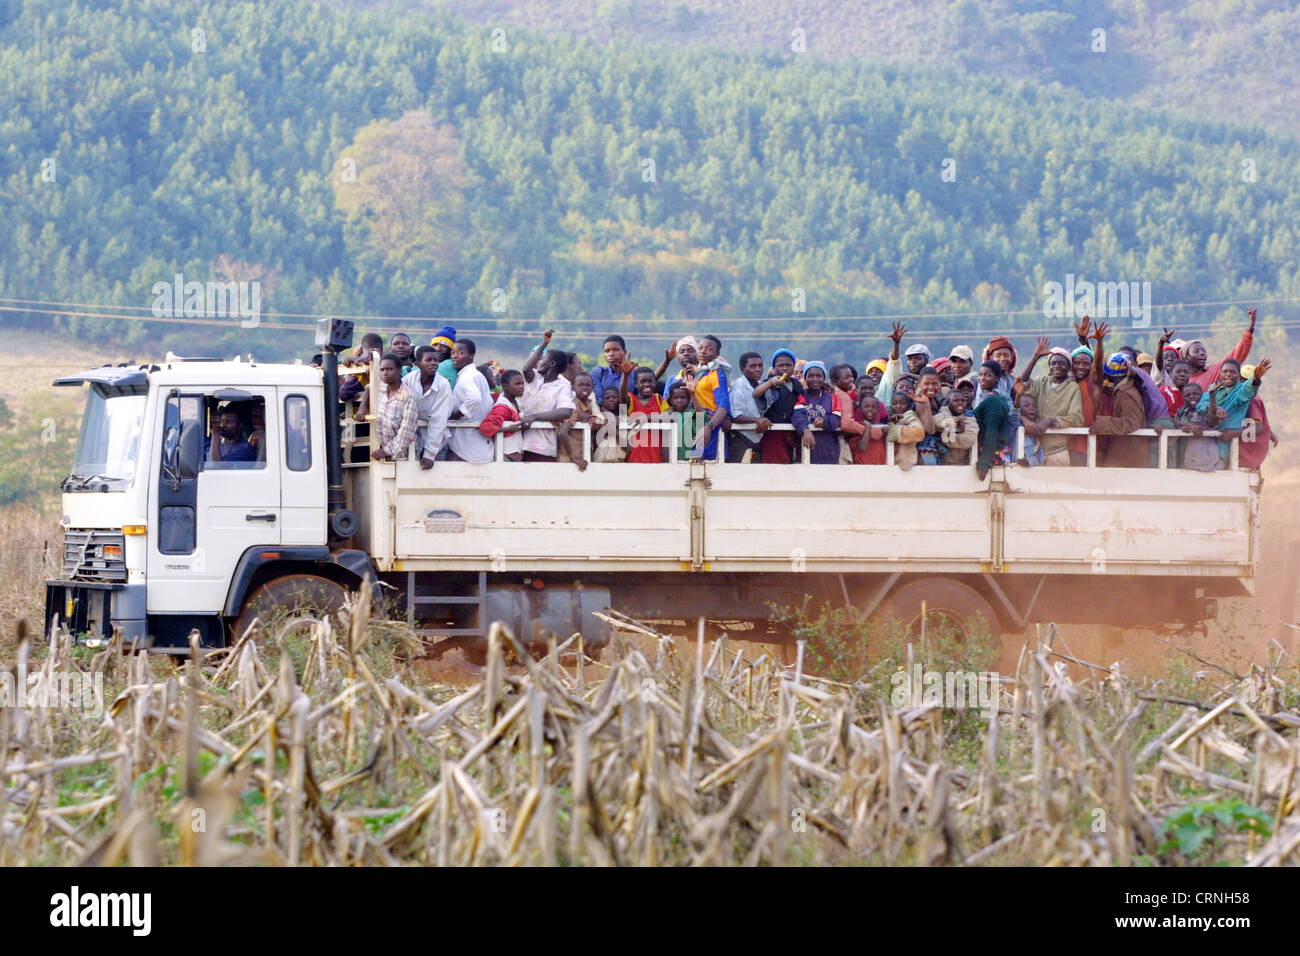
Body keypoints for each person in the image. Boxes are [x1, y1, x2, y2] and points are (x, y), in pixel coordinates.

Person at [1018, 337, 1083, 466]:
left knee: (1057, 486)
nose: (1057, 366)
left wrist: (1050, 421)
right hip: (1034, 448)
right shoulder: (1042, 381)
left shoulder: (1072, 387)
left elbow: (1077, 418)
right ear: (1049, 366)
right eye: (1053, 363)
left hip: (1057, 451)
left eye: (1061, 363)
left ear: (1069, 367)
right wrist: (1035, 357)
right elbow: (1021, 385)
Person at [1197, 358, 1271, 465]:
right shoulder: (1212, 389)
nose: (1228, 374)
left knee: (1217, 470)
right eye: (1225, 371)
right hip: (1206, 441)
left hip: (1225, 442)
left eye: (1233, 372)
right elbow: (1201, 407)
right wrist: (1215, 406)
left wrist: (1255, 378)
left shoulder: (1240, 391)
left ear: (1238, 375)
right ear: (1220, 373)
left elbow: (1248, 389)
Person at [519, 329, 576, 462]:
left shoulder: (563, 386)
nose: (538, 361)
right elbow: (525, 368)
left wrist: (534, 417)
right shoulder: (535, 378)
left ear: (552, 364)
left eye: (542, 359)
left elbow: (566, 411)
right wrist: (544, 343)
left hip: (541, 445)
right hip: (519, 441)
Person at [1090, 352, 1148, 468]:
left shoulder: (1126, 394)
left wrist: (1102, 422)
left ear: (1113, 375)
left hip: (1128, 455)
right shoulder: (1122, 390)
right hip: (1126, 453)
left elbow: (1131, 422)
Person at [402, 346, 454, 469]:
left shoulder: (443, 385)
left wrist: (430, 454)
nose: (433, 363)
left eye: (436, 360)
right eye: (428, 360)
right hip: (412, 441)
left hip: (436, 444)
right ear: (418, 363)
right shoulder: (410, 379)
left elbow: (439, 420)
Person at [1184, 307, 1256, 391]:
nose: (1202, 353)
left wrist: (1251, 325)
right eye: (1196, 351)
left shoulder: (1214, 371)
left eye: (1203, 351)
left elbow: (1238, 353)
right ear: (1186, 357)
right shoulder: (1181, 381)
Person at [446, 339, 493, 462]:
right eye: (453, 352)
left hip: (466, 445)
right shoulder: (473, 374)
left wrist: (455, 417)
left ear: (471, 356)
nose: (455, 356)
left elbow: (474, 399)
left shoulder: (468, 376)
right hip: (475, 444)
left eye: (460, 353)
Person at [755, 348, 803, 464]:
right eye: (780, 365)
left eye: (788, 365)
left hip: (792, 433)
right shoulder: (769, 382)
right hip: (773, 433)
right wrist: (770, 383)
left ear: (793, 366)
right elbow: (756, 393)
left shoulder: (797, 384)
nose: (784, 368)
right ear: (774, 368)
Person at [689, 334, 731, 460]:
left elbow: (723, 406)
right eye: (700, 347)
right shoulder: (699, 372)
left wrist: (709, 427)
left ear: (716, 355)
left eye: (709, 349)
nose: (703, 351)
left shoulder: (716, 374)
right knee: (694, 465)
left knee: (711, 467)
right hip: (697, 424)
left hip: (710, 427)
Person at [370, 354, 419, 462]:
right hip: (382, 456)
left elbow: (407, 432)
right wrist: (362, 408)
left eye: (390, 369)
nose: (385, 373)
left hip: (402, 458)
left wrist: (385, 451)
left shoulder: (407, 396)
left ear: (399, 371)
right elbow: (368, 388)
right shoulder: (381, 390)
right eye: (382, 370)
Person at [792, 361, 841, 464]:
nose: (815, 379)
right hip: (805, 450)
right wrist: (805, 429)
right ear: (805, 378)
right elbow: (797, 415)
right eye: (811, 376)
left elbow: (837, 419)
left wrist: (824, 422)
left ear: (824, 378)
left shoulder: (831, 396)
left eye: (819, 376)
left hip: (828, 450)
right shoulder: (801, 396)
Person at [728, 351, 771, 462]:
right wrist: (757, 420)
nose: (758, 369)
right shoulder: (739, 385)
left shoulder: (761, 385)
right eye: (753, 366)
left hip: (757, 439)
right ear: (743, 369)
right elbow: (735, 416)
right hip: (741, 438)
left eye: (760, 366)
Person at [558, 371, 606, 470]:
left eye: (588, 385)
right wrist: (573, 457)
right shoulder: (572, 405)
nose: (585, 387)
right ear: (572, 387)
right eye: (580, 385)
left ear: (592, 387)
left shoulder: (590, 404)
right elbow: (562, 432)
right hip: (569, 459)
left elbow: (601, 421)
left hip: (583, 456)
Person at [973, 361, 1012, 479]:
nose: (982, 378)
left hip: (993, 455)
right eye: (980, 375)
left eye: (987, 375)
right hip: (992, 452)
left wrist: (984, 463)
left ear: (997, 378)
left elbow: (991, 432)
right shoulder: (992, 397)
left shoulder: (993, 402)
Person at [624, 367, 670, 463]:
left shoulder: (659, 400)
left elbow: (669, 417)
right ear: (636, 384)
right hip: (634, 455)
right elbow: (621, 396)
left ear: (655, 383)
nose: (647, 384)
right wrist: (625, 375)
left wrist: (645, 417)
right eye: (643, 381)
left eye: (650, 381)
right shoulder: (631, 399)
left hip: (656, 455)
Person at [1174, 382, 1222, 472]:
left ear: (1202, 395)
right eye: (1187, 395)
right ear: (1183, 398)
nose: (1192, 397)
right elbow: (1176, 421)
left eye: (1195, 394)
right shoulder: (1182, 411)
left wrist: (1211, 396)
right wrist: (1187, 427)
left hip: (1206, 453)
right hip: (1186, 454)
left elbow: (1212, 419)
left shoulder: (1205, 409)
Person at [479, 369, 525, 461]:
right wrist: (507, 429)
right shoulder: (502, 407)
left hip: (515, 452)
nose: (522, 387)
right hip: (506, 455)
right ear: (505, 386)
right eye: (517, 384)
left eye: (522, 383)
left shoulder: (516, 402)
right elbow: (486, 426)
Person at [830, 363, 864, 465]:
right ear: (835, 381)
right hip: (839, 442)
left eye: (851, 377)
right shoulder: (843, 396)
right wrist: (867, 430)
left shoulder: (832, 392)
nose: (851, 380)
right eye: (847, 377)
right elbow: (847, 424)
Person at [912, 367, 946, 466]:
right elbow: (930, 430)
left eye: (934, 384)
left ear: (940, 384)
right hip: (925, 450)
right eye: (926, 384)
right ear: (919, 384)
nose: (931, 387)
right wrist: (926, 405)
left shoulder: (937, 400)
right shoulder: (919, 402)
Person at [934, 389, 978, 465]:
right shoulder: (942, 413)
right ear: (948, 402)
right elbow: (937, 421)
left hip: (960, 465)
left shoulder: (970, 418)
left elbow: (969, 440)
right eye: (955, 400)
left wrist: (947, 433)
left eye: (963, 401)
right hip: (941, 463)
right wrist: (956, 422)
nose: (960, 403)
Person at [340, 332, 385, 402]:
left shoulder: (362, 372)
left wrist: (358, 359)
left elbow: (343, 394)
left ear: (362, 350)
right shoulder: (388, 365)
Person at [886, 390, 924, 471]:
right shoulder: (889, 417)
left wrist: (895, 430)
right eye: (894, 403)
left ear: (909, 406)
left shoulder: (910, 417)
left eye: (903, 403)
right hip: (890, 460)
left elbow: (919, 432)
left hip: (905, 461)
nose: (898, 406)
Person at [590, 334, 635, 401]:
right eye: (607, 351)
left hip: (629, 409)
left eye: (615, 350)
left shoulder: (635, 373)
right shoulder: (598, 373)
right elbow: (600, 399)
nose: (611, 354)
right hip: (605, 409)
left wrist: (625, 374)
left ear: (624, 352)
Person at [852, 393, 888, 464]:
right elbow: (863, 447)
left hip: (881, 468)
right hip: (862, 468)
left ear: (878, 410)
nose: (870, 409)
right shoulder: (858, 427)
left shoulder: (882, 428)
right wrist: (868, 428)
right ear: (860, 409)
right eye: (866, 406)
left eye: (873, 407)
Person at [594, 386, 627, 463]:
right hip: (602, 458)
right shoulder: (600, 416)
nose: (611, 400)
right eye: (607, 398)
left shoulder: (624, 417)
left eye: (614, 397)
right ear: (603, 401)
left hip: (620, 459)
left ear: (619, 399)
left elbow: (628, 447)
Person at [667, 383, 698, 461]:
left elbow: (700, 414)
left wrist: (693, 395)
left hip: (689, 459)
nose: (679, 401)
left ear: (689, 399)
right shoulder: (667, 414)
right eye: (676, 398)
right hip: (670, 460)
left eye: (683, 397)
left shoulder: (691, 414)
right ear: (670, 400)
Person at [1017, 394, 1047, 466]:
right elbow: (1012, 415)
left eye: (1034, 406)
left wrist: (1029, 461)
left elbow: (1039, 460)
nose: (1032, 408)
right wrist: (1021, 418)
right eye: (1026, 406)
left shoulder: (1036, 431)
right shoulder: (1015, 425)